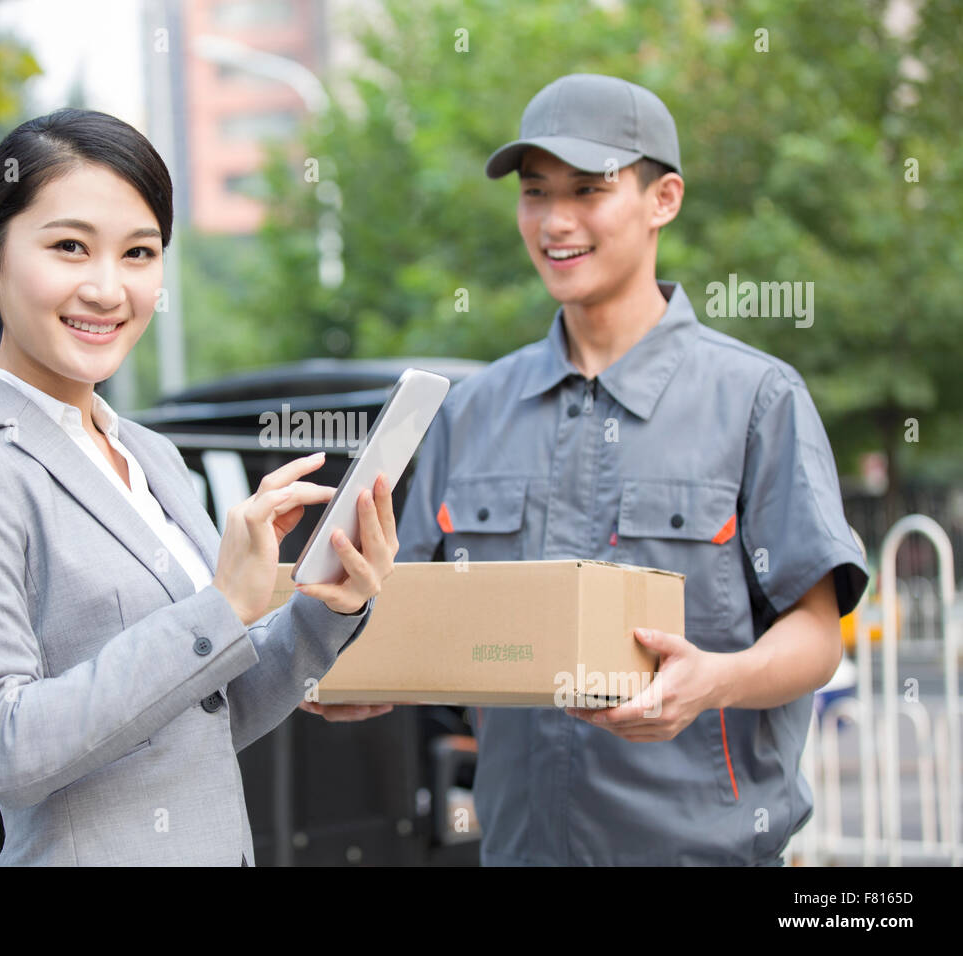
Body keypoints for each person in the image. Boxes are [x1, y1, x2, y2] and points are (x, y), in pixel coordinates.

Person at [302, 74, 868, 865]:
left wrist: (717, 679)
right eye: (535, 193)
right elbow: (409, 612)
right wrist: (361, 668)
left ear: (662, 199)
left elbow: (816, 636)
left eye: (588, 191)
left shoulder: (755, 400)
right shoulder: (474, 410)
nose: (555, 221)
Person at [0, 109, 398, 866]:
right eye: (68, 247)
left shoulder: (150, 455)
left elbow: (211, 709)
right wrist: (221, 606)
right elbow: (0, 745)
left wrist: (329, 610)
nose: (106, 289)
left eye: (138, 253)